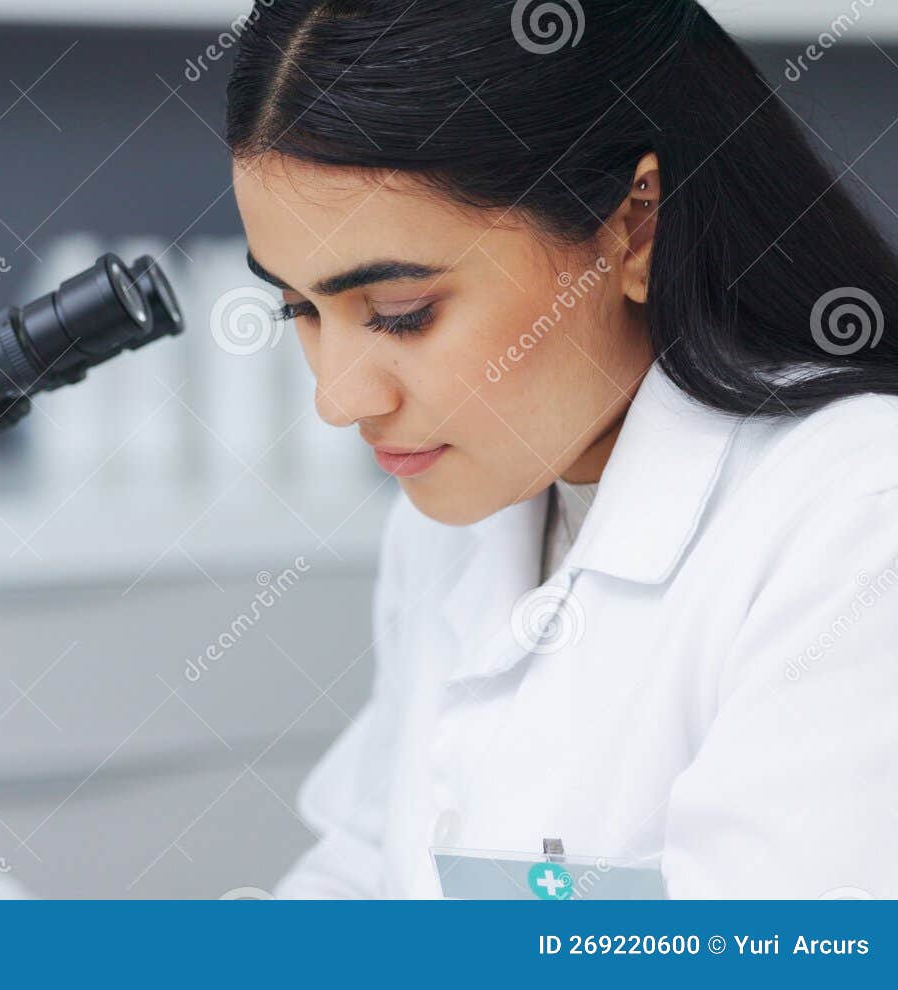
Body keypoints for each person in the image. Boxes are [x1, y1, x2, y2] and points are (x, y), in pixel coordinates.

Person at [226, 0, 898, 897]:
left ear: (633, 226)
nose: (339, 399)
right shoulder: (455, 506)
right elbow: (364, 875)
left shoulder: (856, 524)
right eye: (300, 311)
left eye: (400, 313)